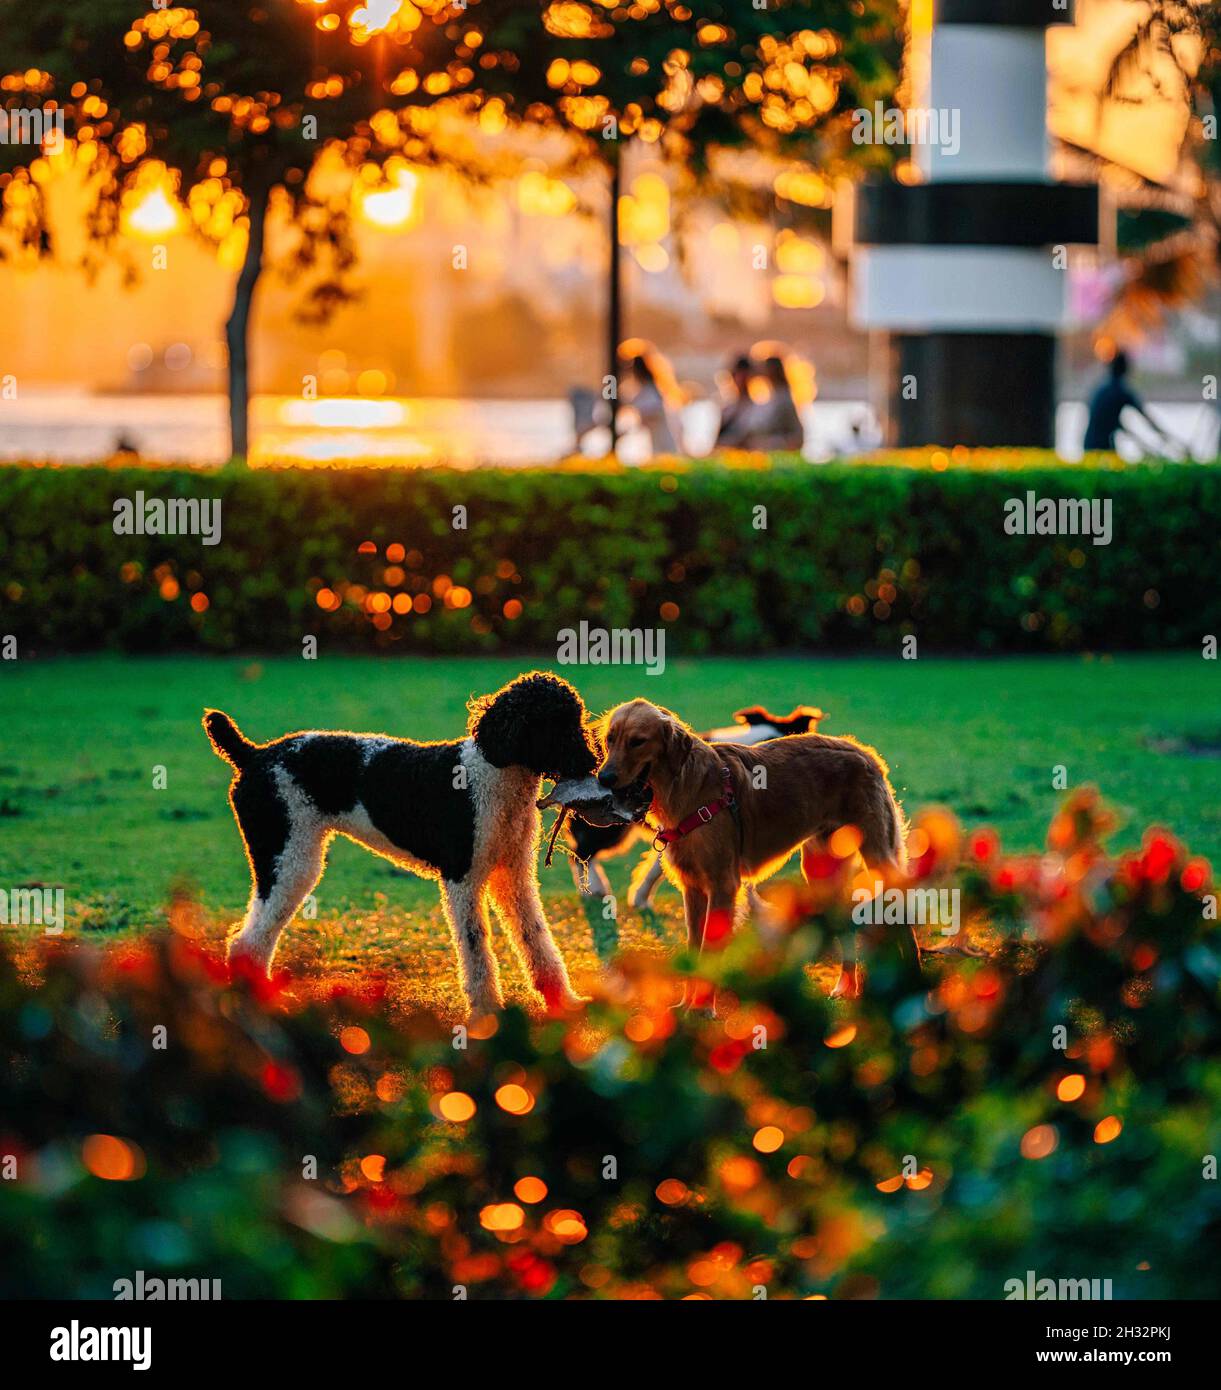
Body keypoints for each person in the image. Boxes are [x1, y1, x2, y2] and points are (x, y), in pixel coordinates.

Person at [1083, 351, 1178, 455]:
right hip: (1103, 447)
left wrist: (1141, 442)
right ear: (1126, 368)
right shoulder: (1122, 391)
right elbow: (1147, 419)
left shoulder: (1101, 388)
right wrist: (1169, 439)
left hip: (1088, 445)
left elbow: (1111, 423)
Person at [742, 356, 804, 452]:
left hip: (778, 453)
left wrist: (765, 444)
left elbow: (797, 437)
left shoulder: (784, 398)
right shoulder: (766, 398)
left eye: (764, 367)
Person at [622, 353, 679, 455]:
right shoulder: (643, 390)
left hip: (661, 443)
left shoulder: (650, 391)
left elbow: (650, 414)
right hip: (651, 443)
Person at [715, 355, 754, 447]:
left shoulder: (759, 407)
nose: (742, 381)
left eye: (745, 376)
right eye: (738, 376)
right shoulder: (728, 408)